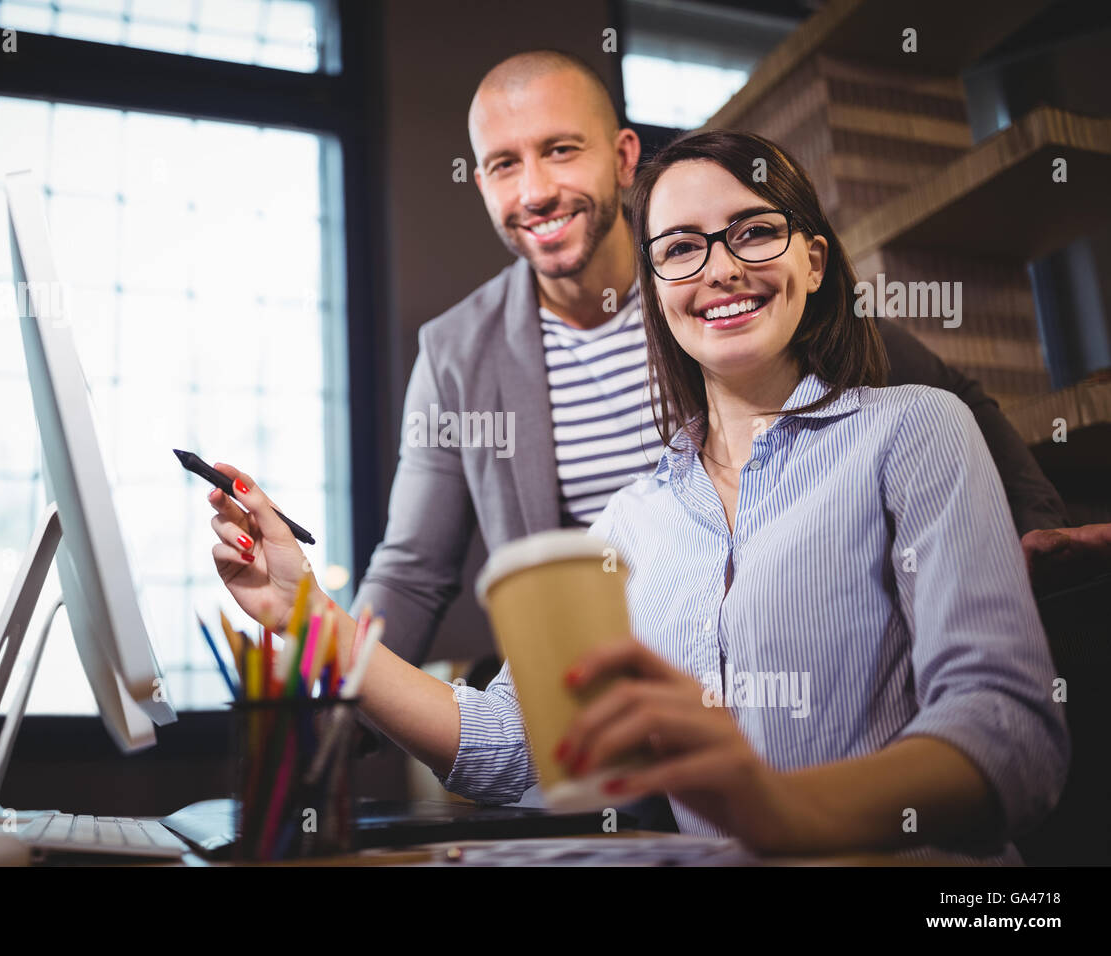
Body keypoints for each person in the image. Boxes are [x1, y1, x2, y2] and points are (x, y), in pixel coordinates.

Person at [205, 130, 1069, 860]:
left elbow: (1011, 734)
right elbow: (523, 745)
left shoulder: (918, 430)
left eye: (754, 232)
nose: (720, 269)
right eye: (682, 248)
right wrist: (310, 612)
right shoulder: (632, 519)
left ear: (813, 262)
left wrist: (779, 813)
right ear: (656, 291)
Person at [349, 49, 1068, 676]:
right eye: (504, 164)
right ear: (480, 182)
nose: (534, 190)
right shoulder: (454, 354)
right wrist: (332, 695)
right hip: (607, 715)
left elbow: (950, 400)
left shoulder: (736, 294)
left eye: (562, 150)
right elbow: (412, 569)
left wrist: (1036, 531)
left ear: (624, 158)